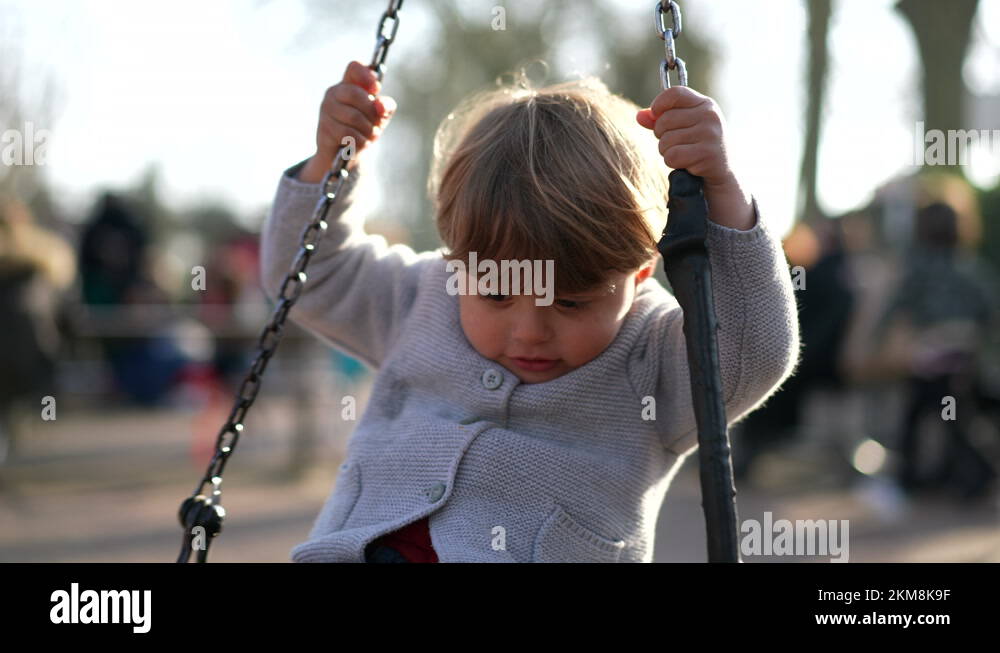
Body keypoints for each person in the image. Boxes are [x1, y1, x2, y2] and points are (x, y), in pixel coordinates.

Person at [260, 61, 801, 562]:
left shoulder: (653, 358)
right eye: (496, 293)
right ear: (457, 261)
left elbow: (752, 351)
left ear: (637, 276)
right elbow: (309, 273)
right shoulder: (423, 297)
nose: (530, 331)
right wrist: (333, 161)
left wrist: (723, 189)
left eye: (570, 301)